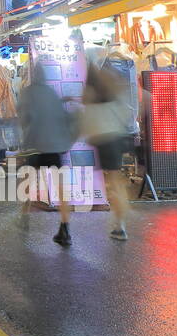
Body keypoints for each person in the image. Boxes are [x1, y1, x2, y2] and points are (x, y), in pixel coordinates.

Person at [17, 61, 77, 247]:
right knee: (60, 187)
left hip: (36, 145)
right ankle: (65, 227)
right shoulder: (52, 93)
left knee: (30, 180)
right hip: (55, 147)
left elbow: (25, 118)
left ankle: (25, 216)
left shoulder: (27, 93)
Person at [82, 64, 134, 241]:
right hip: (118, 139)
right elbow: (127, 115)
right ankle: (120, 221)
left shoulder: (91, 99)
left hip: (105, 143)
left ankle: (120, 226)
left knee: (112, 183)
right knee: (117, 182)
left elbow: (88, 125)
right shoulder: (114, 96)